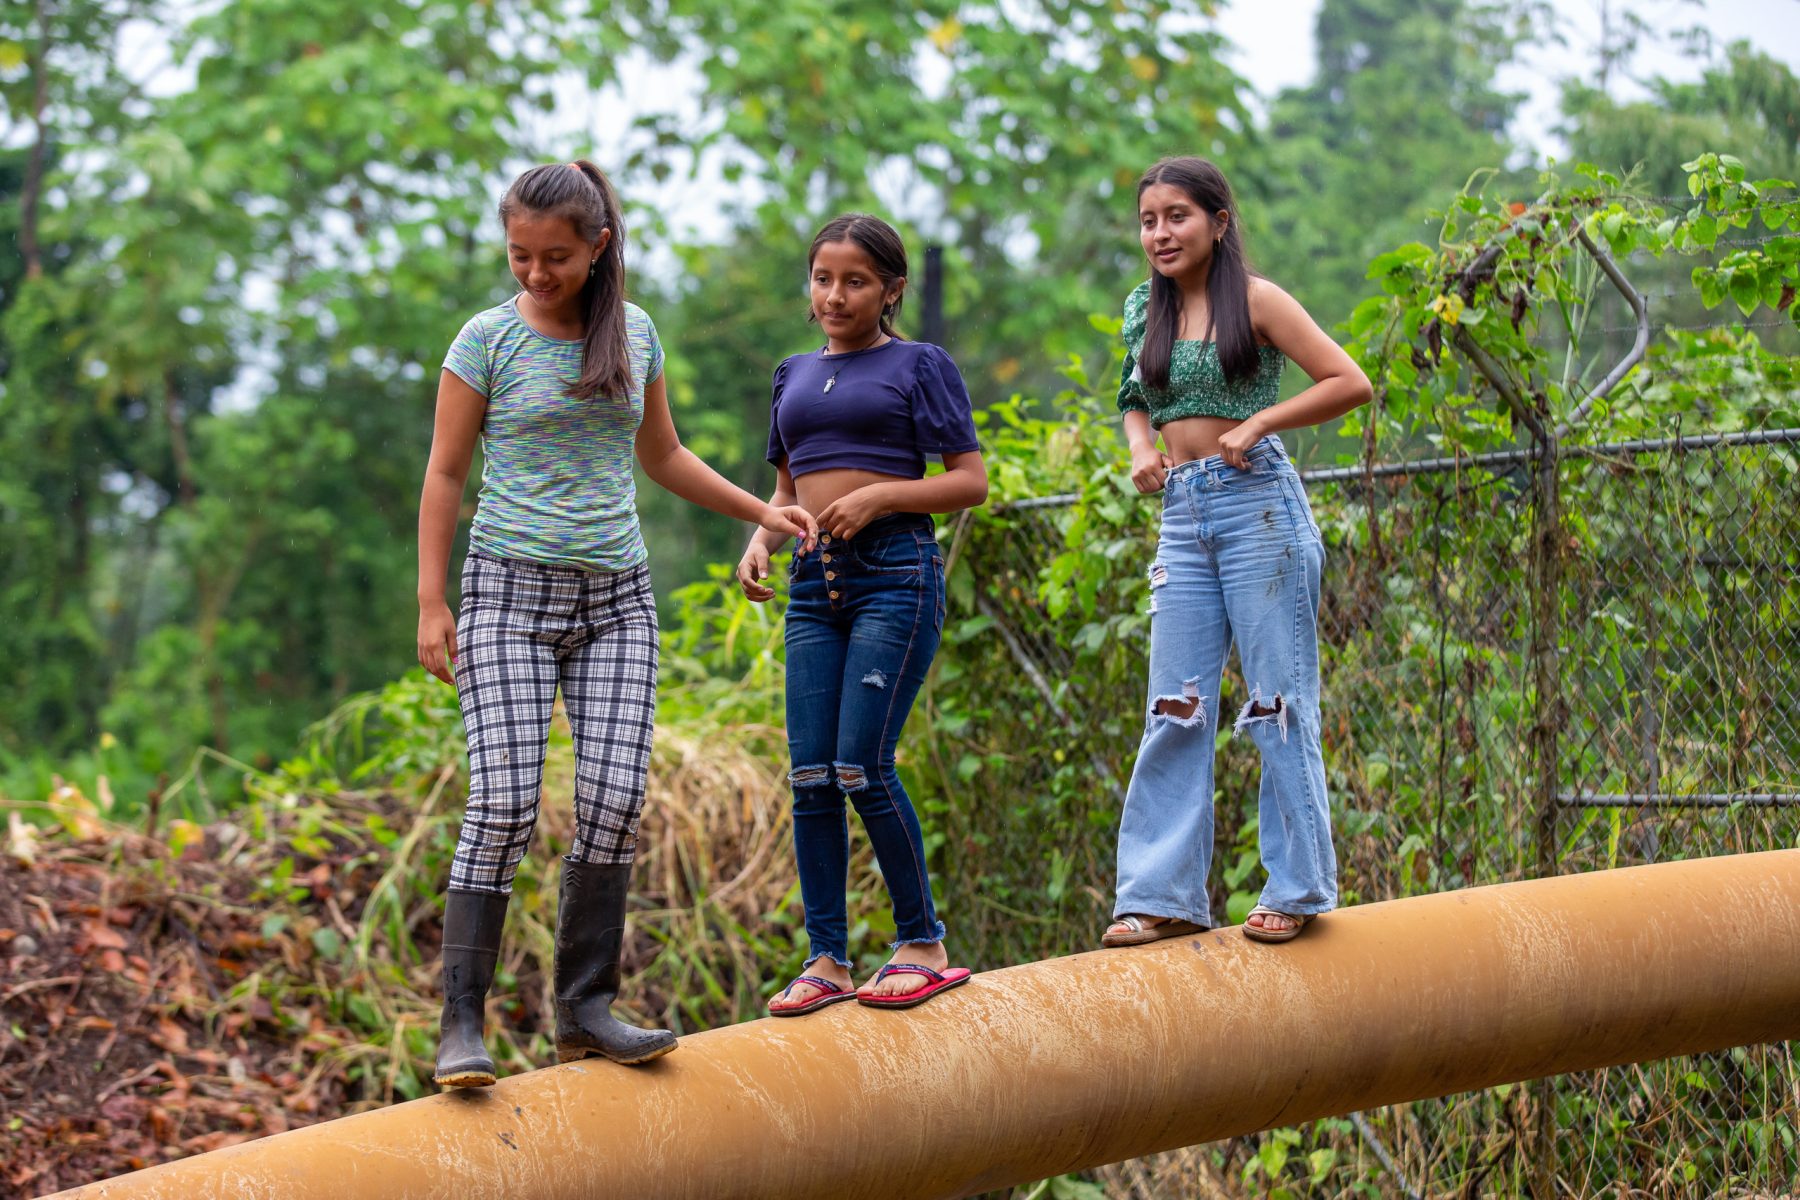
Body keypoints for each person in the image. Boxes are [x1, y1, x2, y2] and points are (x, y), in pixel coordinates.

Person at [417, 160, 816, 1086]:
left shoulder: (634, 333)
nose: (536, 273)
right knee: (505, 802)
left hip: (617, 603)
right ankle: (461, 1025)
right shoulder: (485, 341)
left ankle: (586, 1009)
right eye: (520, 255)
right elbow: (444, 472)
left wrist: (762, 512)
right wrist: (433, 602)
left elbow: (664, 455)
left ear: (598, 247)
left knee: (613, 802)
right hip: (507, 597)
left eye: (555, 257)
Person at [1102, 156, 1372, 949]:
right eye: (1149, 220)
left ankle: (1296, 888)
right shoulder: (1143, 309)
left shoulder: (1257, 300)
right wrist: (1140, 447)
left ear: (1218, 222)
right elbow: (1133, 397)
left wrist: (1260, 422)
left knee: (1275, 703)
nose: (1160, 233)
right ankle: (1161, 898)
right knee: (1174, 707)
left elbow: (1348, 381)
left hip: (1258, 508)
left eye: (1177, 216)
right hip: (1181, 514)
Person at [735, 213, 988, 1014]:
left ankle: (923, 943)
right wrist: (760, 540)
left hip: (894, 573)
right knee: (810, 776)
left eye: (856, 281)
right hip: (814, 583)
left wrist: (881, 496)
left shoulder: (919, 364)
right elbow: (786, 489)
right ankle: (827, 960)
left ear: (891, 289)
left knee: (861, 765)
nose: (835, 296)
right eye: (823, 279)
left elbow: (970, 481)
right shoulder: (792, 374)